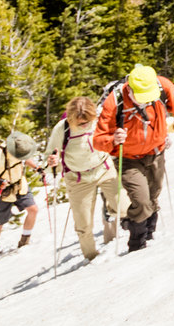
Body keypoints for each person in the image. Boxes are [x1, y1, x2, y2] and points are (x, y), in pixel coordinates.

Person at [92, 63, 174, 252]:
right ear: (130, 89)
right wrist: (113, 139)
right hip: (129, 158)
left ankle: (149, 234)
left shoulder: (161, 86)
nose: (146, 102)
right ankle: (137, 243)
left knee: (153, 195)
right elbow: (98, 140)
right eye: (141, 98)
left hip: (156, 152)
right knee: (141, 200)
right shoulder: (115, 101)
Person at [48, 96, 125, 261]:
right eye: (80, 122)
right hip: (78, 177)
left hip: (103, 168)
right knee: (84, 225)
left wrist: (115, 139)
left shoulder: (99, 121)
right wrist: (53, 162)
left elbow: (111, 137)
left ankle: (109, 210)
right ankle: (91, 258)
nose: (84, 124)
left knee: (123, 207)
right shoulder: (62, 128)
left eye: (87, 121)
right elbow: (51, 155)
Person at [0, 131, 42, 256]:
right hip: (0, 192)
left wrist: (36, 168)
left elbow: (25, 158)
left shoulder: (20, 149)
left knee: (33, 209)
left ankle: (25, 241)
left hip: (19, 185)